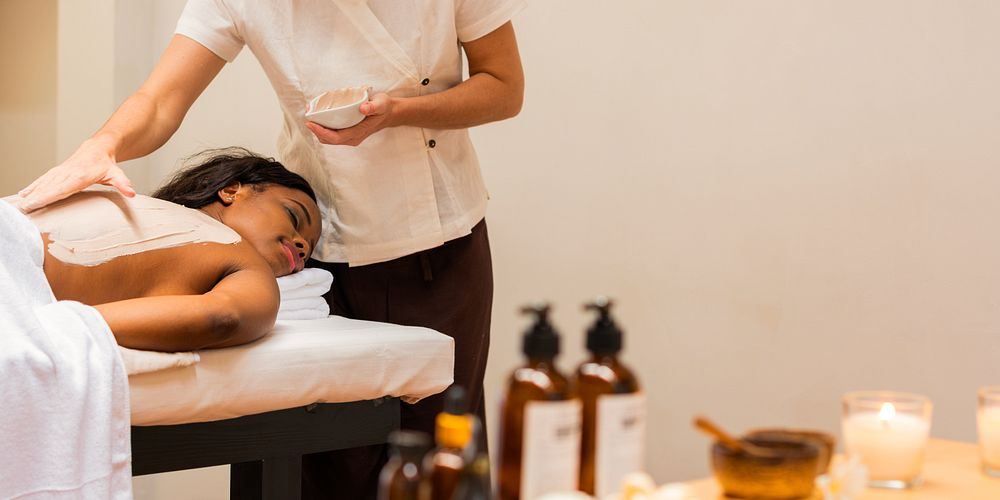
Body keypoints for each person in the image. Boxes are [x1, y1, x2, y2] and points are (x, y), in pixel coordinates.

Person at [17, 0, 525, 497]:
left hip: (439, 243)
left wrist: (398, 113)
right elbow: (158, 100)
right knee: (328, 469)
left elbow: (504, 88)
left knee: (438, 456)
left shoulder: (249, 264)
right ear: (230, 192)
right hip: (334, 236)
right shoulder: (278, 253)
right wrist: (100, 147)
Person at [15, 149, 322, 352]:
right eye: (294, 217)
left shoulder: (244, 262)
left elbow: (222, 317)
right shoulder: (146, 205)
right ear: (231, 191)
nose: (302, 244)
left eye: (307, 250)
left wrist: (43, 328)